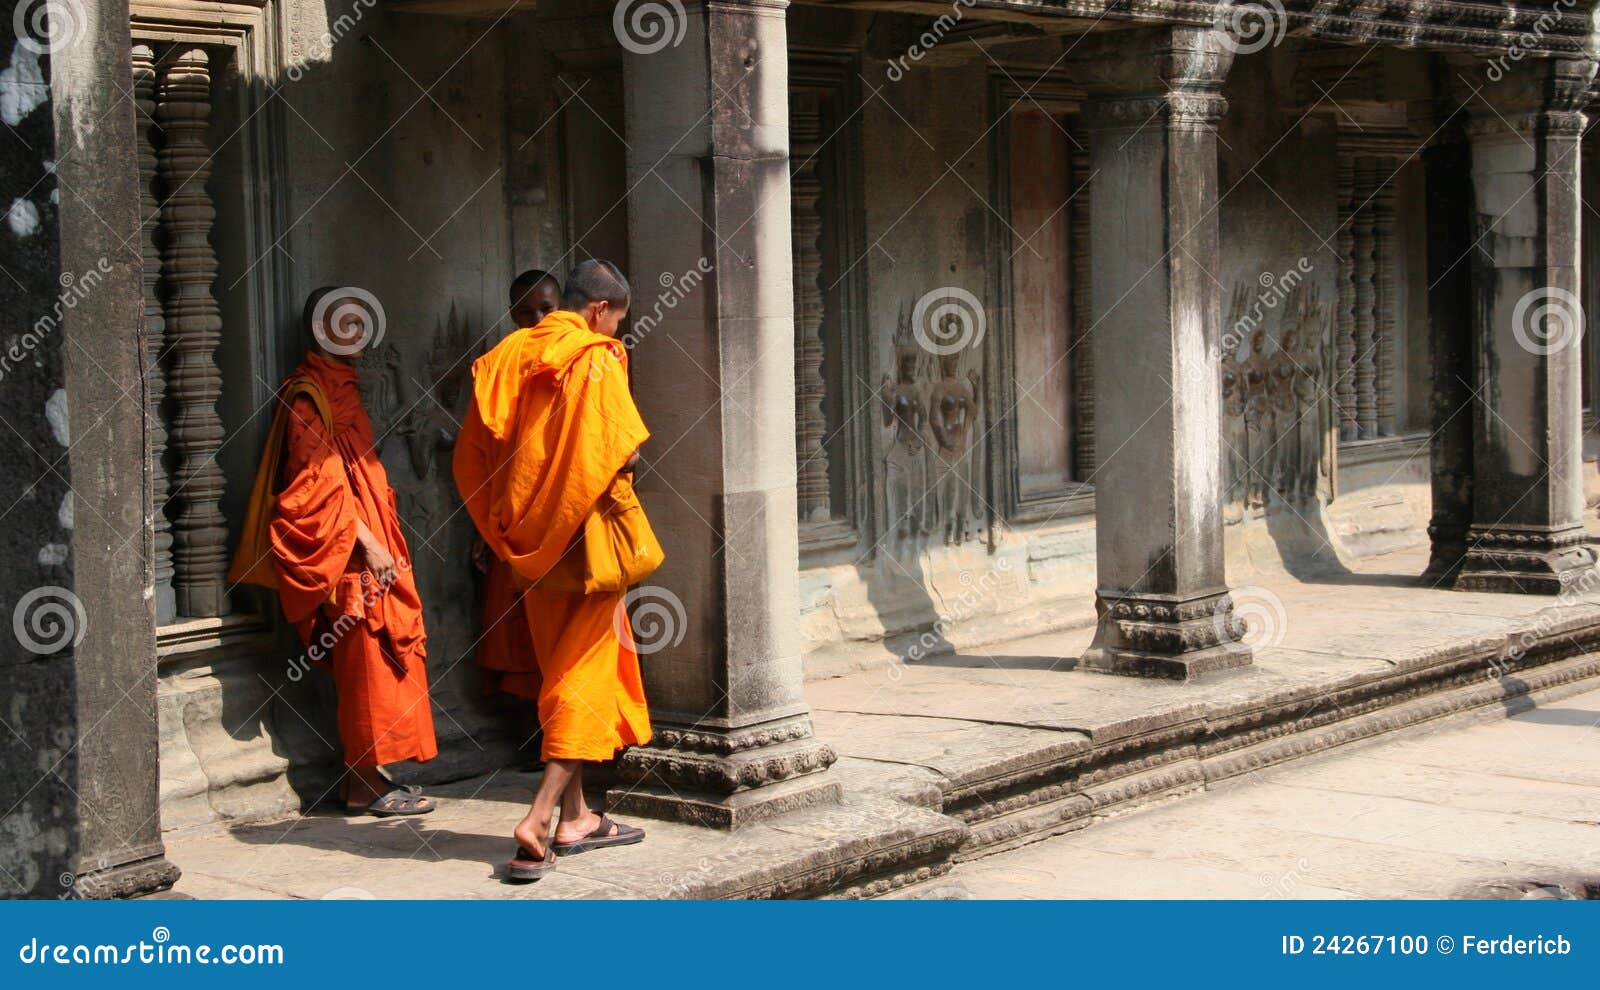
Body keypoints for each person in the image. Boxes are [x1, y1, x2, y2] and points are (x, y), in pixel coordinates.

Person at [453, 259, 652, 879]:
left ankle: (577, 817)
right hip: (585, 546)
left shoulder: (506, 357)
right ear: (600, 310)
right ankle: (537, 820)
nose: (616, 333)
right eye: (617, 322)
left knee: (557, 674)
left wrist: (500, 525)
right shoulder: (595, 356)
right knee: (583, 678)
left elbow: (474, 457)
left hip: (528, 546)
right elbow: (623, 452)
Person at [230, 287, 438, 816]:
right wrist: (367, 543)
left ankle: (366, 777)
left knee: (383, 657)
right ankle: (362, 784)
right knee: (364, 661)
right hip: (349, 551)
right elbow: (315, 485)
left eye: (362, 322)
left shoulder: (342, 387)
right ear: (324, 329)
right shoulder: (307, 396)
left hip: (371, 538)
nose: (359, 332)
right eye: (348, 322)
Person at [474, 269, 563, 703]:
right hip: (512, 513)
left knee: (564, 623)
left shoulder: (580, 358)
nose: (538, 320)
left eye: (547, 309)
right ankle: (531, 723)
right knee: (517, 621)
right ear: (512, 314)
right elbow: (488, 453)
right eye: (526, 312)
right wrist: (482, 524)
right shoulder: (501, 366)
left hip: (563, 513)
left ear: (562, 308)